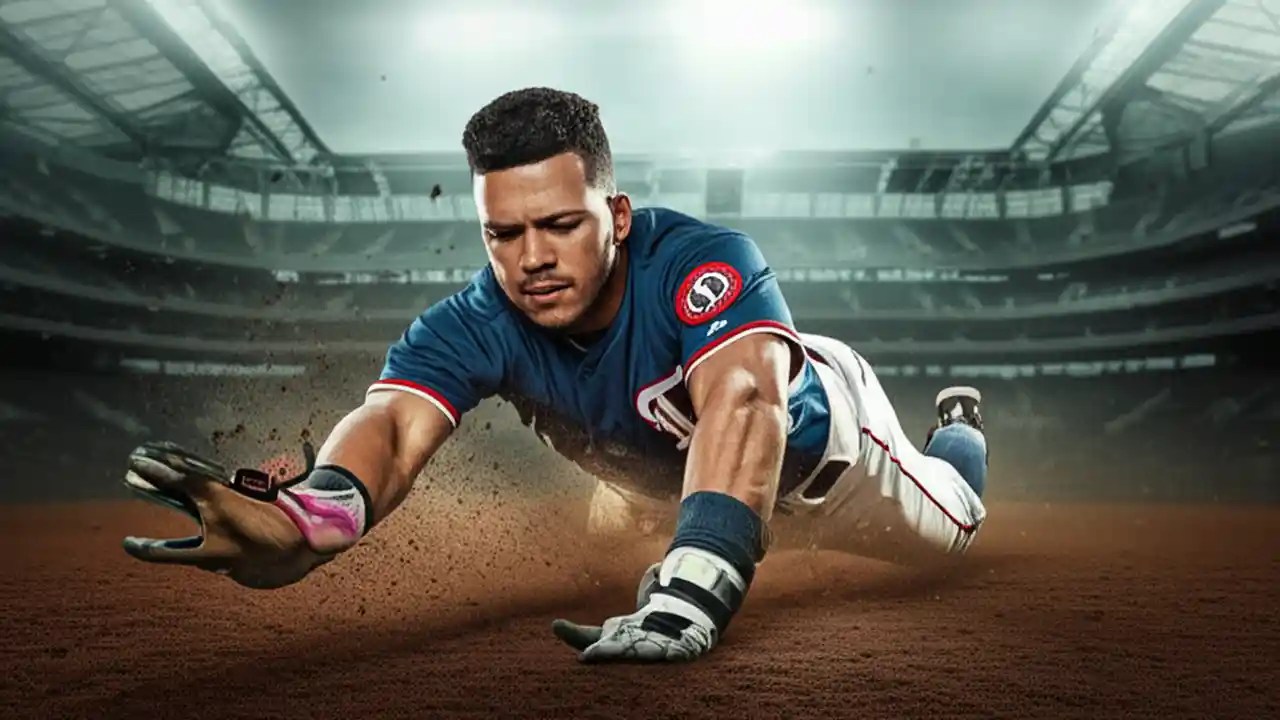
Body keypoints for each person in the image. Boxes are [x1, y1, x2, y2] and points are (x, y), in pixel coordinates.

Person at [121, 87, 989, 664]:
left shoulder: (700, 262)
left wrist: (697, 586)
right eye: (504, 234)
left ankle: (960, 431)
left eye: (560, 225)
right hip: (655, 478)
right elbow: (389, 423)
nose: (532, 258)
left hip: (829, 466)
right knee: (617, 527)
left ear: (616, 214)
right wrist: (319, 513)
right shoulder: (473, 321)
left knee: (956, 533)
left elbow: (747, 400)